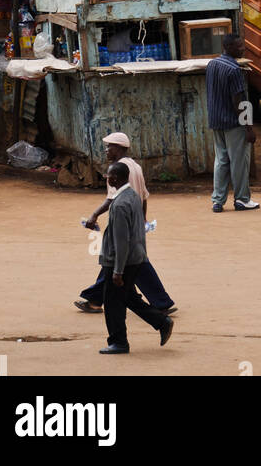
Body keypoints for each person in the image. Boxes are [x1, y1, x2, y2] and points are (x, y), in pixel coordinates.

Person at [76, 132, 175, 315]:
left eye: (109, 147)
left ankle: (161, 302)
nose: (106, 150)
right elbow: (144, 196)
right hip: (135, 220)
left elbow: (111, 199)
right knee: (125, 260)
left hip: (123, 221)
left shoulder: (117, 169)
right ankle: (95, 299)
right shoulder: (135, 166)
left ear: (120, 148)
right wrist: (143, 220)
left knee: (127, 261)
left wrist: (93, 216)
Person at [97, 162, 173, 355]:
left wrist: (118, 270)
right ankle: (161, 322)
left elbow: (122, 240)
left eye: (108, 175)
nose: (107, 178)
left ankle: (119, 342)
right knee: (128, 297)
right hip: (136, 257)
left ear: (114, 178)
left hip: (122, 260)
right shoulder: (132, 196)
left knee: (113, 302)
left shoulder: (121, 204)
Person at [205, 35, 258, 212]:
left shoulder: (212, 64)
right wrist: (249, 128)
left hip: (216, 120)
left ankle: (217, 201)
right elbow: (239, 103)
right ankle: (242, 199)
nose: (242, 49)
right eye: (239, 46)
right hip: (233, 122)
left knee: (221, 161)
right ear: (228, 47)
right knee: (239, 162)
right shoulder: (234, 70)